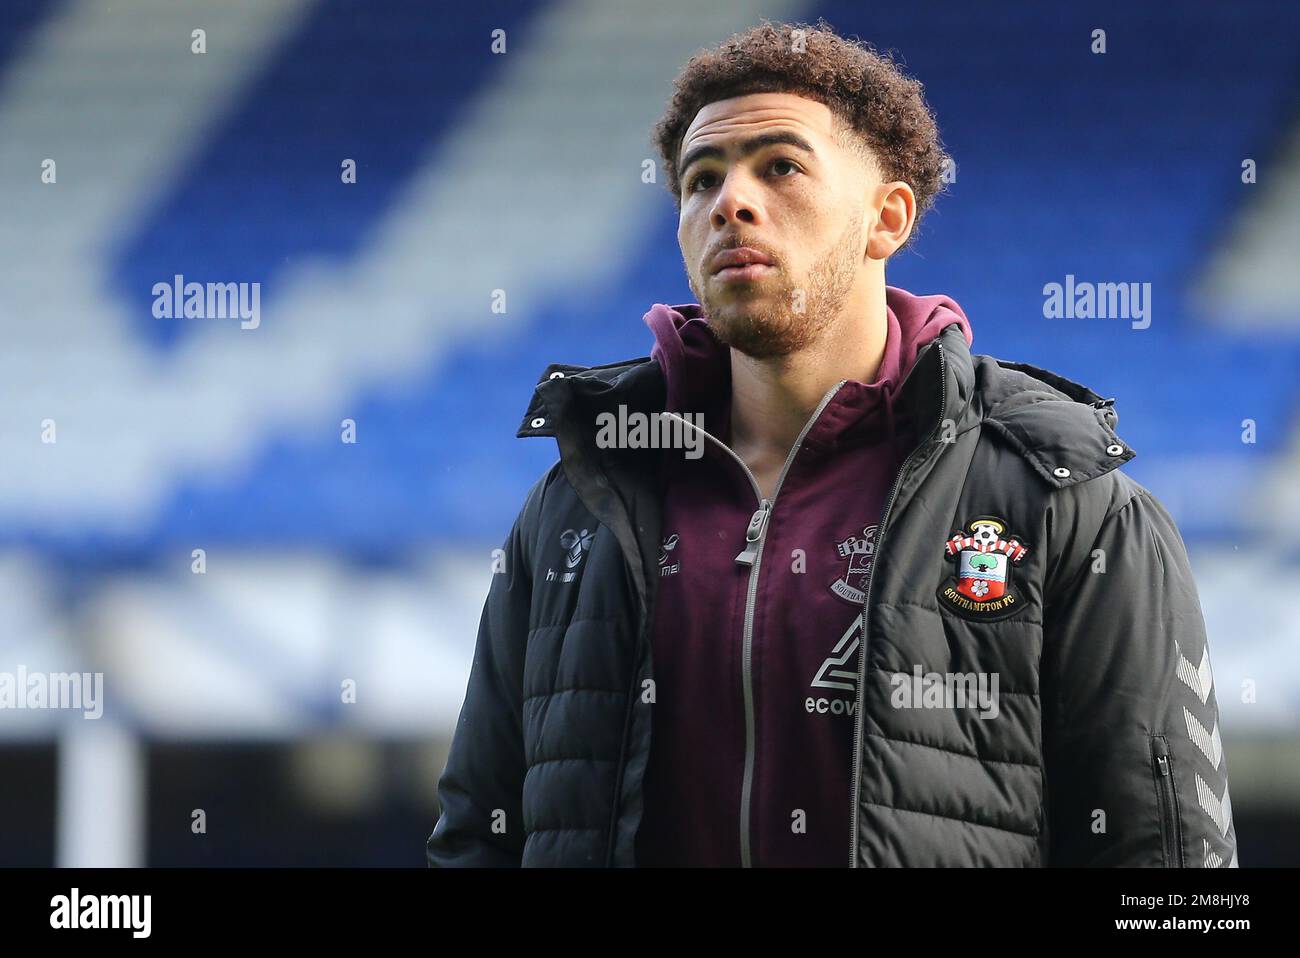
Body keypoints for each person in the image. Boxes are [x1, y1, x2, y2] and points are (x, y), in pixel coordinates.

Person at [426, 19, 1238, 867]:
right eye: (701, 180)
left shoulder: (1063, 499)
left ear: (886, 218)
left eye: (780, 166)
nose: (730, 201)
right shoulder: (579, 505)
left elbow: (1166, 864)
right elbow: (478, 831)